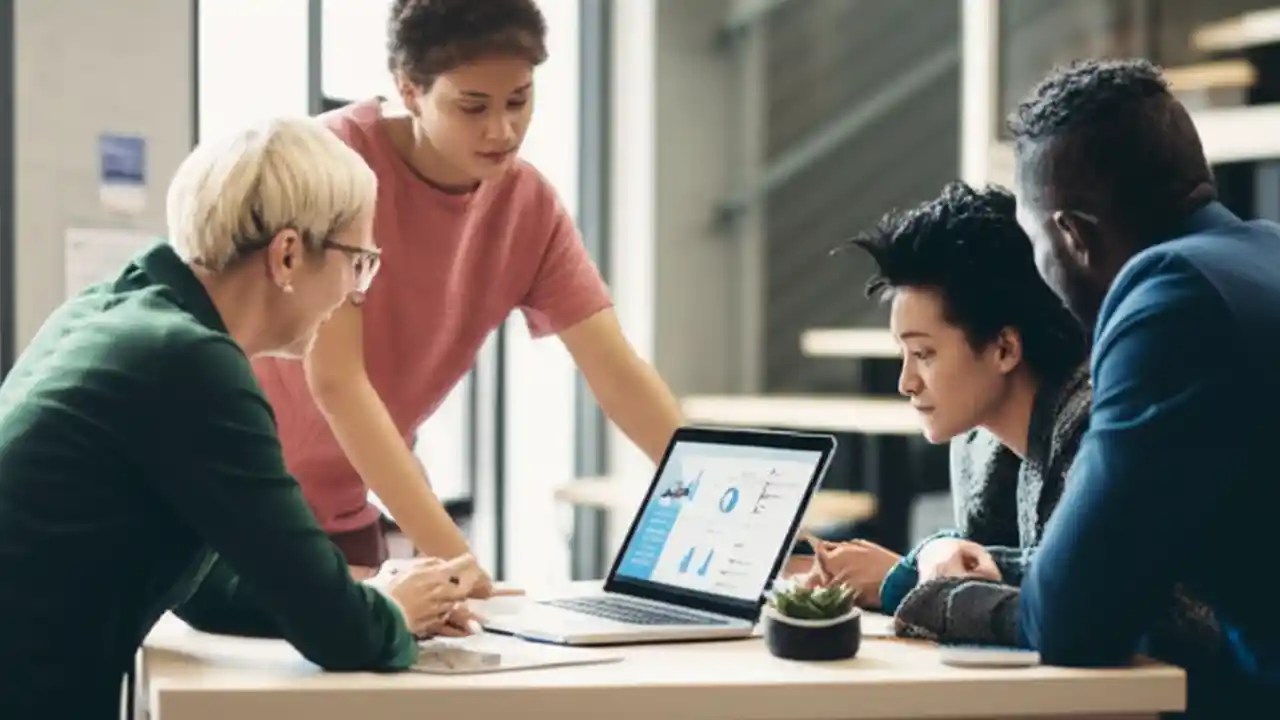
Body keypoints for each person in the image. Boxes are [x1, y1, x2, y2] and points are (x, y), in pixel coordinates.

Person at [0, 118, 482, 718]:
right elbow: (342, 635)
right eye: (359, 263)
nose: (355, 294)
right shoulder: (188, 362)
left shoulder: (110, 312)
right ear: (286, 254)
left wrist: (369, 598)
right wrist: (386, 614)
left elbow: (209, 585)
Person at [896, 59, 1280, 714]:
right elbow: (1115, 571)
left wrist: (935, 598)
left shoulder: (1169, 298)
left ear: (1070, 235)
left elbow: (1075, 620)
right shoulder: (1261, 255)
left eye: (1032, 239)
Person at [253, 0, 684, 581]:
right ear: (409, 89)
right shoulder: (337, 166)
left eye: (519, 100)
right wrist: (458, 564)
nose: (502, 130)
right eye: (472, 106)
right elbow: (337, 381)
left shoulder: (528, 207)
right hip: (238, 494)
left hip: (342, 510)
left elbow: (616, 369)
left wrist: (724, 503)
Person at [801, 181, 1089, 612]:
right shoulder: (977, 442)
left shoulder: (1094, 429)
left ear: (1005, 349)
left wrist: (905, 577)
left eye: (923, 354)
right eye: (903, 354)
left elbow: (1081, 593)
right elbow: (988, 591)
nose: (906, 383)